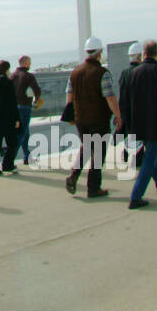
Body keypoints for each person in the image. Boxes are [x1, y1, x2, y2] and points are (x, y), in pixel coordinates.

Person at [63, 36, 121, 199]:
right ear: (99, 53)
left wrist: (71, 114)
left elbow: (69, 94)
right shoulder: (102, 73)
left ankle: (73, 176)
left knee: (86, 146)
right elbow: (110, 97)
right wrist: (118, 116)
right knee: (98, 152)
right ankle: (93, 188)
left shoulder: (74, 72)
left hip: (81, 119)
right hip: (99, 119)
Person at [124, 40, 157, 209]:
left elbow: (126, 101)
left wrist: (127, 124)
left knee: (151, 155)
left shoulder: (133, 73)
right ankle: (136, 196)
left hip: (139, 124)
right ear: (155, 53)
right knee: (150, 157)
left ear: (143, 54)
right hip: (156, 124)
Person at [11, 55, 42, 165]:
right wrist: (36, 99)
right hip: (25, 106)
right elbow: (37, 90)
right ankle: (10, 158)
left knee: (24, 132)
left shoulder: (13, 75)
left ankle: (27, 156)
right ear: (24, 63)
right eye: (29, 63)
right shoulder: (28, 76)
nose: (30, 65)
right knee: (22, 133)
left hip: (14, 107)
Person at [118, 41, 143, 168]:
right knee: (139, 136)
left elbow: (122, 95)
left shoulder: (125, 73)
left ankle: (127, 153)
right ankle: (138, 159)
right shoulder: (141, 71)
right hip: (139, 111)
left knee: (129, 134)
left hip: (126, 111)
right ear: (140, 56)